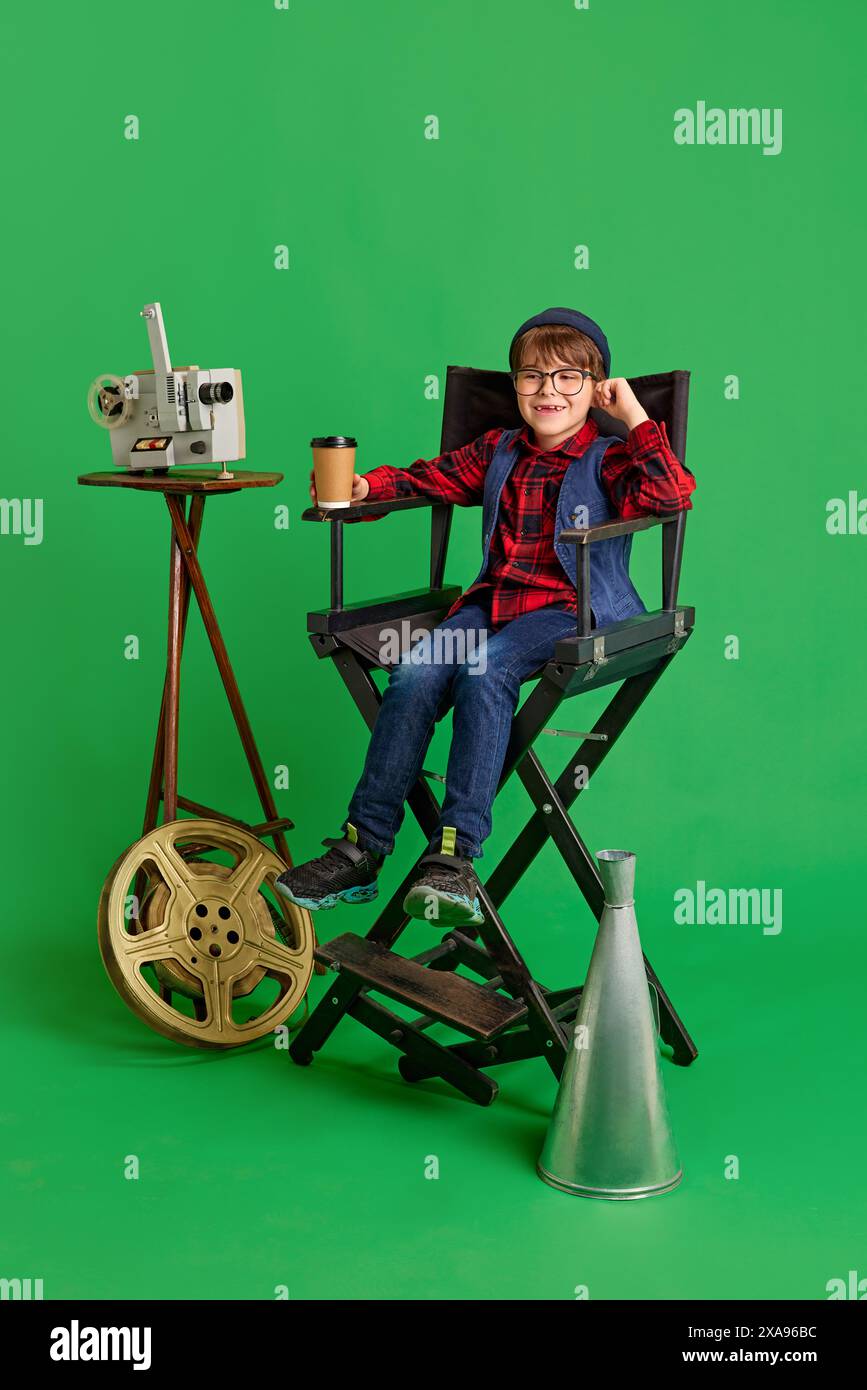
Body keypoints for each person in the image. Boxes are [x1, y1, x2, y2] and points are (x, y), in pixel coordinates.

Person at [276, 307, 696, 927]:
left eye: (567, 378)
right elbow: (430, 477)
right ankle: (362, 847)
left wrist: (633, 415)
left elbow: (671, 496)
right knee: (417, 671)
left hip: (571, 611)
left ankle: (455, 858)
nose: (548, 391)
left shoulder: (608, 458)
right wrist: (365, 489)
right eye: (531, 377)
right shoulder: (499, 449)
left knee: (484, 670)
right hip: (490, 603)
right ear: (515, 387)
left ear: (596, 387)